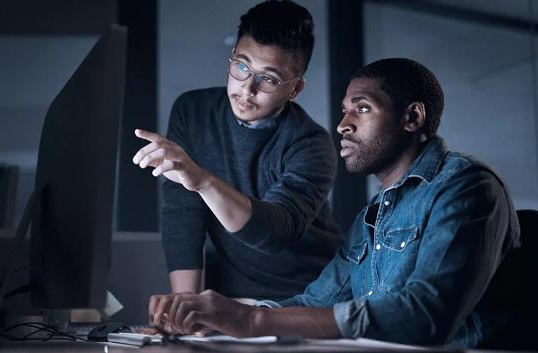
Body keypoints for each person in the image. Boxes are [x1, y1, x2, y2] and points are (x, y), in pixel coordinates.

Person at [147, 58, 520, 348]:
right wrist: (223, 314)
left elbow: (426, 317)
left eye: (361, 108)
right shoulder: (372, 217)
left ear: (412, 117)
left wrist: (253, 323)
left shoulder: (467, 187)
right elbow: (313, 302)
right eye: (344, 110)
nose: (342, 124)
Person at [132, 0, 341, 303]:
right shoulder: (193, 112)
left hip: (311, 293)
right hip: (230, 294)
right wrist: (185, 304)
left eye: (267, 78)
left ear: (295, 90)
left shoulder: (312, 144)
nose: (246, 88)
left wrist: (202, 180)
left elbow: (274, 233)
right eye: (241, 66)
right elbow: (183, 214)